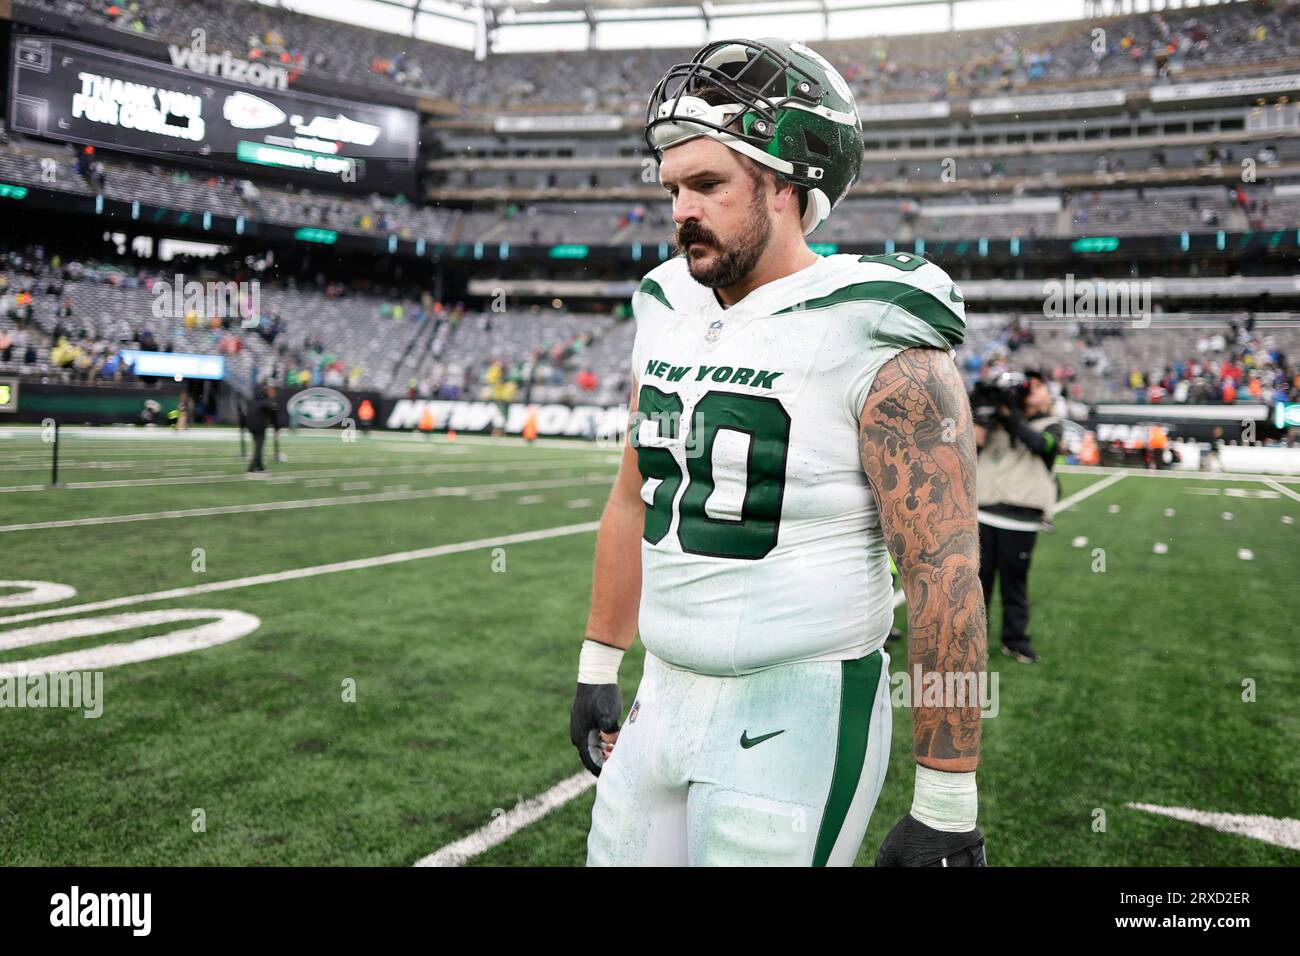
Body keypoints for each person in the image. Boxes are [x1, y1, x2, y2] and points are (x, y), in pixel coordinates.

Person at [570, 38, 987, 867]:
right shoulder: (664, 305)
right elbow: (634, 495)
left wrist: (947, 798)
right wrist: (597, 660)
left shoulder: (873, 326)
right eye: (675, 188)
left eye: (710, 184)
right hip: (663, 692)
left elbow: (942, 564)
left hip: (802, 704)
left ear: (790, 187)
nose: (682, 209)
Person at [973, 370, 1064, 664]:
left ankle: (1015, 640)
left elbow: (1039, 444)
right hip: (983, 515)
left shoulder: (1052, 425)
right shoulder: (994, 423)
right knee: (977, 585)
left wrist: (1011, 412)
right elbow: (968, 450)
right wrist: (980, 409)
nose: (1033, 392)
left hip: (1020, 520)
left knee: (1014, 585)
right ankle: (974, 640)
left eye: (1038, 387)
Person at [244, 384, 278, 474]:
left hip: (251, 426)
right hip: (260, 427)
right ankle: (251, 468)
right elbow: (274, 414)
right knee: (259, 448)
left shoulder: (251, 401)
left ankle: (260, 467)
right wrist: (277, 428)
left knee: (257, 447)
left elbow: (246, 414)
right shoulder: (267, 402)